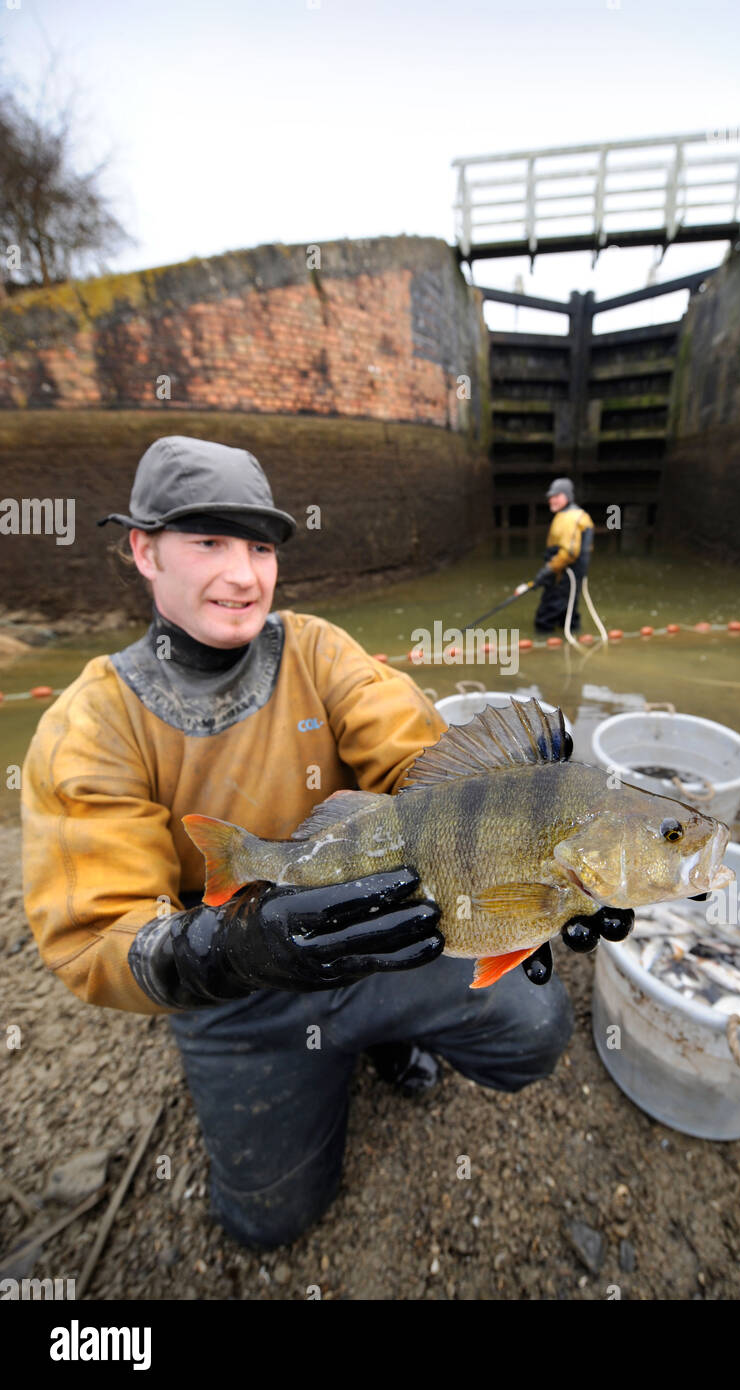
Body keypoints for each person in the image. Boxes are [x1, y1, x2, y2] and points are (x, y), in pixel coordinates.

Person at [20, 435, 630, 1252]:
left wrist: (529, 819)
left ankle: (383, 1035)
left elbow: (418, 758)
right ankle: (321, 1060)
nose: (244, 574)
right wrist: (226, 949)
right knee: (269, 1221)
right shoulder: (88, 723)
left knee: (533, 1024)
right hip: (236, 997)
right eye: (209, 542)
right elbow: (94, 933)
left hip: (384, 938)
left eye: (261, 547)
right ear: (142, 549)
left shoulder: (318, 649)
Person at [532, 478, 595, 635]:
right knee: (567, 614)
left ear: (567, 496)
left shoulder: (571, 517)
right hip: (564, 575)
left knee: (545, 617)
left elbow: (570, 552)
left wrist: (548, 570)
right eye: (550, 497)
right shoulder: (565, 515)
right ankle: (569, 649)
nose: (552, 500)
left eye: (557, 496)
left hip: (565, 576)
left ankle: (545, 651)